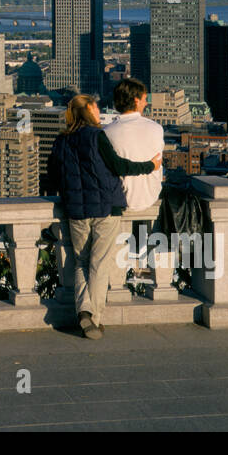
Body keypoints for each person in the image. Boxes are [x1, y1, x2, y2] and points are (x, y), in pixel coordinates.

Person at [49, 93, 160, 340]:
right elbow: (119, 166)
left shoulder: (61, 141)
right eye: (96, 106)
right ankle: (94, 318)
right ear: (88, 109)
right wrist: (149, 166)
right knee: (99, 264)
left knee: (80, 261)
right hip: (105, 210)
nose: (99, 111)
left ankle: (84, 310)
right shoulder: (97, 136)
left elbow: (53, 176)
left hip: (76, 211)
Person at [101, 78, 165, 212]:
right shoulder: (156, 128)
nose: (146, 103)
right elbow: (158, 165)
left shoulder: (106, 132)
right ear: (136, 100)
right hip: (151, 196)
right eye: (144, 99)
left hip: (121, 198)